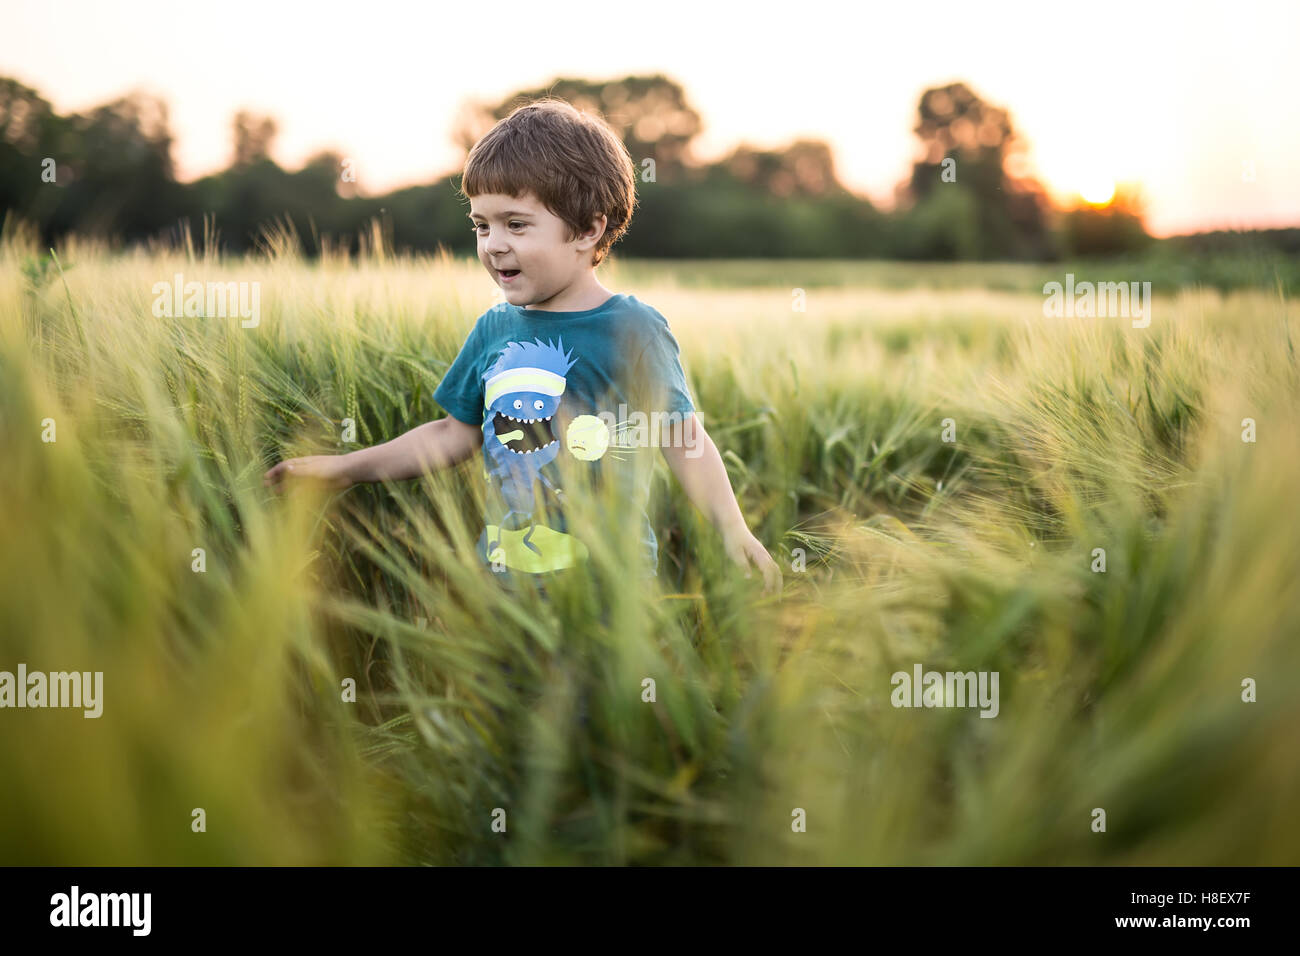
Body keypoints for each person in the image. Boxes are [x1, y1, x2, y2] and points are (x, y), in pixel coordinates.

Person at [263, 98, 781, 598]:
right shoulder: (494, 329)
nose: (493, 244)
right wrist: (342, 468)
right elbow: (452, 433)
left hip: (611, 592)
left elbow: (683, 439)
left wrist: (733, 530)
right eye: (481, 225)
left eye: (515, 224)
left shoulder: (634, 329)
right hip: (504, 585)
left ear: (587, 228)